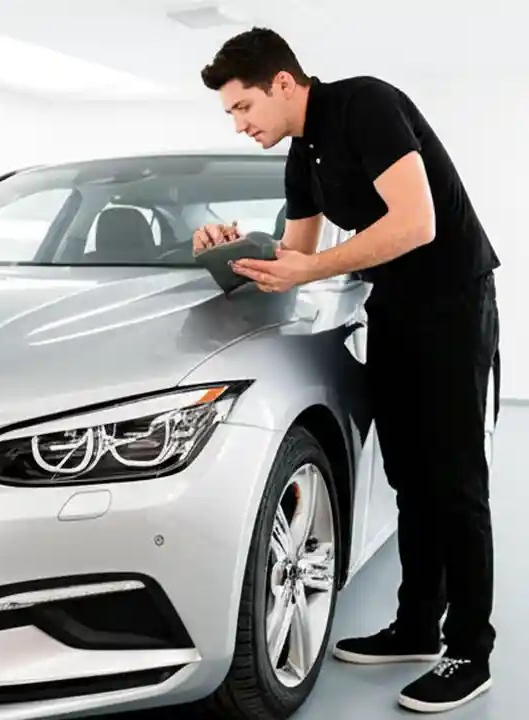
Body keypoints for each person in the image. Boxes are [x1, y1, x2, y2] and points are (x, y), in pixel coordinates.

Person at [193, 28, 502, 714]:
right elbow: (292, 255)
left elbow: (416, 222)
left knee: (453, 480)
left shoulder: (365, 105)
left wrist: (310, 266)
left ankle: (470, 651)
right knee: (407, 476)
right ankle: (417, 626)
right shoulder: (301, 156)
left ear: (281, 83)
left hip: (453, 301)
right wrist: (230, 247)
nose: (240, 126)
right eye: (231, 116)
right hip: (393, 304)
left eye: (242, 108)